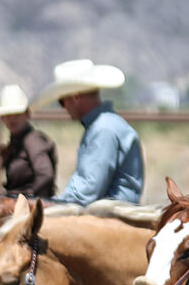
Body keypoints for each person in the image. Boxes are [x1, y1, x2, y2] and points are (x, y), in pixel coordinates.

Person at [35, 58, 143, 205]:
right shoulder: (104, 124)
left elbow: (86, 192)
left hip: (112, 218)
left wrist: (51, 207)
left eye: (62, 101)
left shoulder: (103, 129)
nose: (63, 108)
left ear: (76, 97)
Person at [0, 84, 57, 199]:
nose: (12, 119)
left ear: (27, 114)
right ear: (2, 118)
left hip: (34, 204)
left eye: (17, 114)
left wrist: (26, 197)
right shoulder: (17, 141)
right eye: (8, 115)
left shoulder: (33, 141)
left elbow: (45, 174)